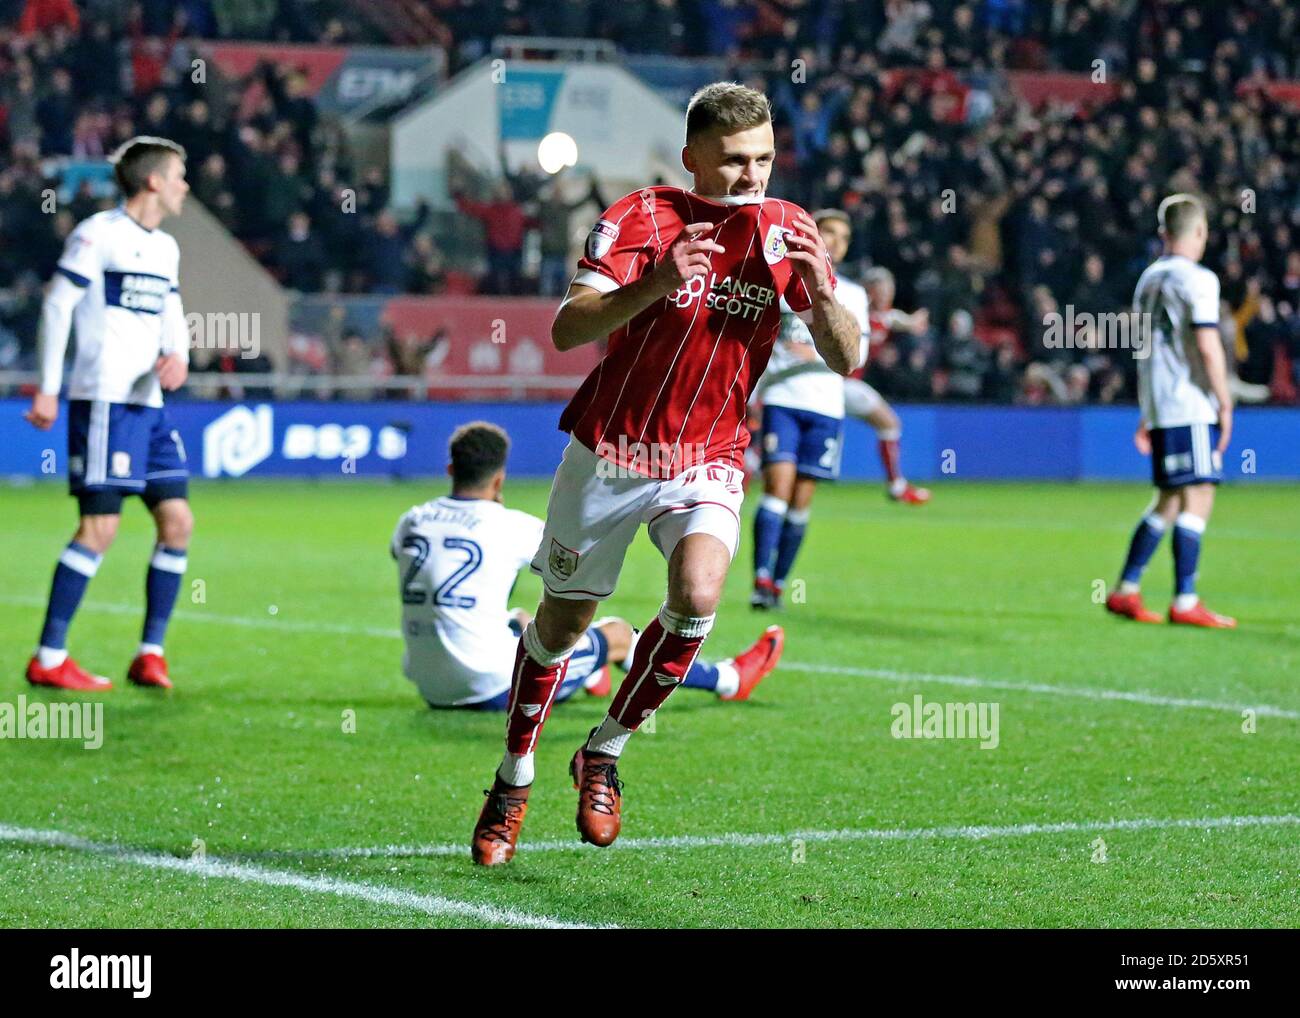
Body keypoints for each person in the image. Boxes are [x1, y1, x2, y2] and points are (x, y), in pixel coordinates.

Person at [470, 81, 861, 865]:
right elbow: (564, 329)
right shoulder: (641, 217)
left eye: (765, 159)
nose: (753, 176)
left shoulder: (788, 231)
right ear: (691, 158)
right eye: (734, 161)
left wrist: (821, 298)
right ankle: (514, 777)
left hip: (708, 457)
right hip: (613, 454)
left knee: (699, 595)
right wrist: (655, 284)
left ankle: (604, 751)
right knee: (562, 626)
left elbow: (847, 357)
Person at [392, 422, 784, 712]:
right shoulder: (510, 525)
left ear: (450, 471)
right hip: (494, 688)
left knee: (519, 618)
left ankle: (589, 671)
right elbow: (576, 564)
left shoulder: (412, 519)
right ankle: (729, 680)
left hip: (430, 687)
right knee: (614, 631)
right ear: (499, 479)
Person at [23, 135, 194, 690]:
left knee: (178, 522)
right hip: (106, 400)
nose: (184, 185)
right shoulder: (98, 235)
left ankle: (150, 653)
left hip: (150, 404)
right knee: (100, 527)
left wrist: (179, 356)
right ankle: (49, 657)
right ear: (153, 181)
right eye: (178, 175)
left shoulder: (165, 248)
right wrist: (48, 388)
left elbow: (170, 310)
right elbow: (58, 303)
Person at [1105, 193, 1236, 628]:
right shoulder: (1199, 279)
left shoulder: (1148, 280)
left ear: (1164, 233)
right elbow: (1206, 343)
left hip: (1161, 402)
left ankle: (1126, 589)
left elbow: (1144, 349)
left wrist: (1147, 409)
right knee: (1199, 494)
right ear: (1199, 232)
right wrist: (1224, 397)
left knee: (1169, 498)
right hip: (1189, 402)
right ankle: (1185, 599)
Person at [750, 208, 868, 609]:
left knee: (801, 501)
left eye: (843, 236)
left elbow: (858, 354)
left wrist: (816, 352)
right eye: (828, 232)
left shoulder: (852, 294)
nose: (834, 241)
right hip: (783, 400)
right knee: (776, 491)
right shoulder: (782, 280)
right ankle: (759, 581)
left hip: (825, 405)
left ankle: (779, 584)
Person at [845, 266, 931, 503]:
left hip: (848, 385)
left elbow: (900, 320)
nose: (885, 295)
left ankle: (897, 485)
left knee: (889, 424)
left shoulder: (884, 317)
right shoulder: (853, 312)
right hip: (839, 382)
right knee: (889, 423)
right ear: (868, 291)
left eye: (888, 290)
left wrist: (916, 321)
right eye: (879, 290)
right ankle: (896, 485)